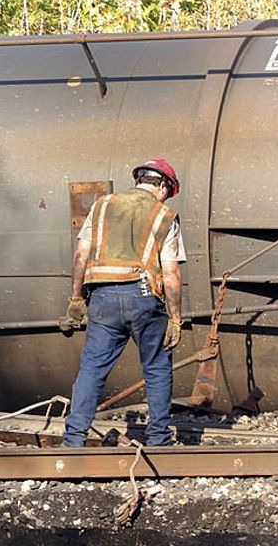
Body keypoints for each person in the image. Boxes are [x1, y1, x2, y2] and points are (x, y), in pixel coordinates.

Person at [61, 159, 186, 447]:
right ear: (163, 186)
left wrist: (76, 298)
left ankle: (73, 440)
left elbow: (80, 255)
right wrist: (175, 318)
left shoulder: (102, 206)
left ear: (139, 180)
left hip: (102, 297)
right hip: (144, 297)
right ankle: (158, 439)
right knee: (156, 367)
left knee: (92, 368)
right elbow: (171, 273)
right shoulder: (164, 216)